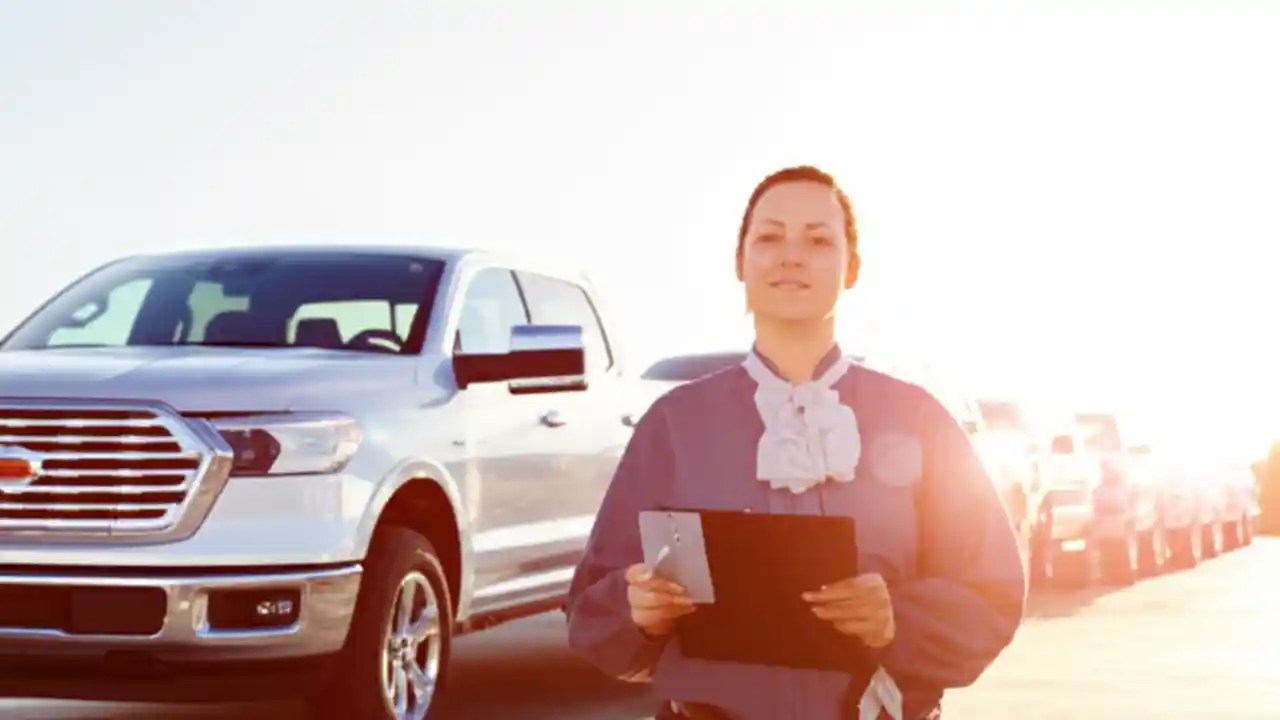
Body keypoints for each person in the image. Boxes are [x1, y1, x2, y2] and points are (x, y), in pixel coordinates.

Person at [565, 165, 1026, 719]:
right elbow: (590, 609)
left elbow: (991, 593)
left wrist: (897, 619)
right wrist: (636, 607)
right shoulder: (673, 424)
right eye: (769, 237)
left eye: (818, 239)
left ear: (851, 268)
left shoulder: (919, 419)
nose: (791, 255)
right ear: (740, 263)